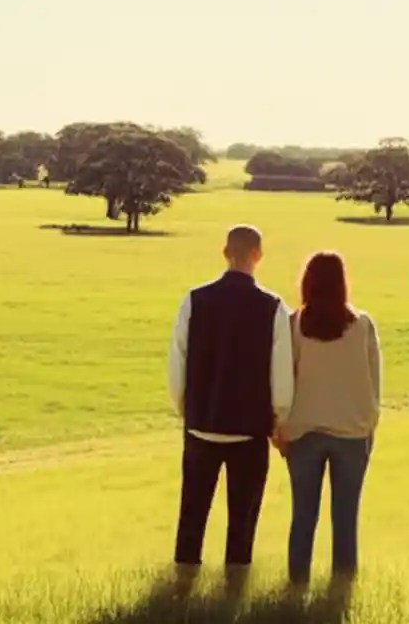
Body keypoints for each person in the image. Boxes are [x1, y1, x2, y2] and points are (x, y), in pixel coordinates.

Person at [168, 225, 294, 587]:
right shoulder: (273, 307)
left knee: (191, 512)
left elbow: (177, 364)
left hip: (200, 425)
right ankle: (234, 589)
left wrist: (188, 411)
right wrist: (277, 420)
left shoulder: (194, 300)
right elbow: (280, 375)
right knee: (243, 518)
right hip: (249, 431)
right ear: (258, 255)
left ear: (225, 252)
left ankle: (182, 585)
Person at [275, 251, 381, 586]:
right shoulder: (363, 324)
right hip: (352, 434)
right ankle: (342, 588)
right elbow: (374, 382)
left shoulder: (294, 325)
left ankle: (296, 587)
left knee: (303, 517)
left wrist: (279, 429)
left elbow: (283, 381)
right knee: (345, 519)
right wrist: (368, 425)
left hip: (303, 434)